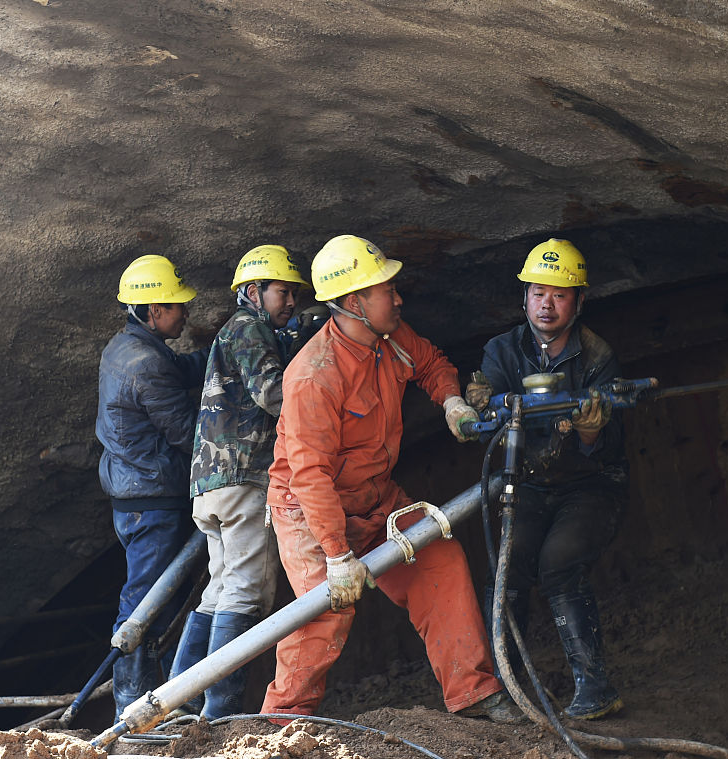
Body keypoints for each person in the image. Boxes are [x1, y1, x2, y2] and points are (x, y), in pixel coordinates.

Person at [259, 234, 524, 724]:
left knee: (438, 559)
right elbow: (310, 474)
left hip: (376, 497)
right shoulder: (314, 376)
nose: (398, 298)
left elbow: (430, 363)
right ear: (353, 303)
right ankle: (280, 724)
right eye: (386, 290)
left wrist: (451, 401)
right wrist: (337, 555)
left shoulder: (391, 341)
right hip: (309, 508)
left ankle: (474, 692)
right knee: (325, 610)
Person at [468, 238, 626, 720]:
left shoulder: (597, 356)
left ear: (578, 301)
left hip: (589, 487)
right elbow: (486, 429)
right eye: (538, 292)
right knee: (507, 566)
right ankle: (508, 691)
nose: (547, 303)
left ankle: (594, 688)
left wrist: (590, 434)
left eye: (559, 294)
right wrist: (480, 405)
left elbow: (614, 447)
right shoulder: (502, 350)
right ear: (524, 298)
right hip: (528, 486)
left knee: (558, 562)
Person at [168, 245, 319, 719]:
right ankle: (219, 711)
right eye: (282, 292)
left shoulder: (236, 332)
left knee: (220, 588)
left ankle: (180, 701)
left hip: (211, 482)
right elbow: (275, 393)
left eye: (294, 293)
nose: (291, 301)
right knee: (247, 591)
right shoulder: (250, 328)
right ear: (253, 292)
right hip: (244, 475)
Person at [96, 254, 208, 720]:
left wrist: (221, 352)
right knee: (145, 599)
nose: (184, 312)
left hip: (133, 494)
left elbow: (179, 369)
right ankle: (131, 708)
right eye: (175, 306)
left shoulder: (125, 347)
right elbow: (185, 432)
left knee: (151, 594)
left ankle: (148, 698)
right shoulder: (146, 363)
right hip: (152, 498)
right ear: (151, 311)